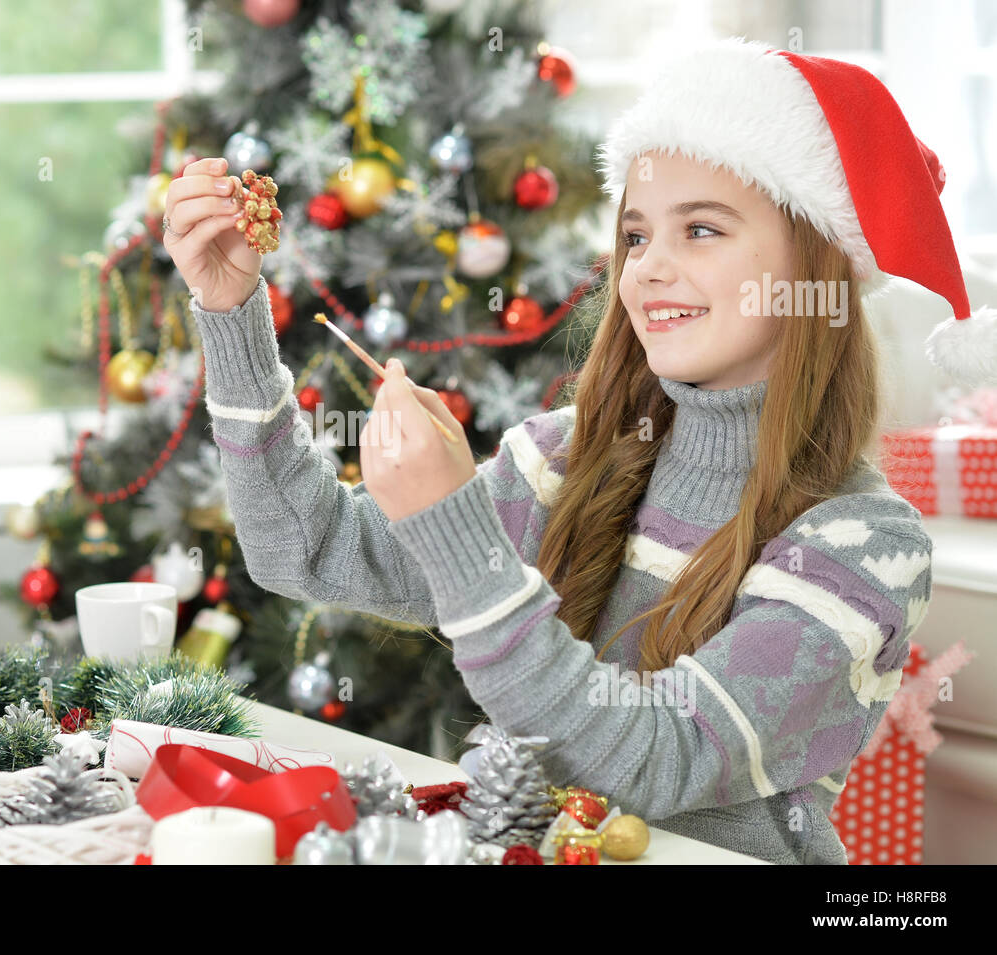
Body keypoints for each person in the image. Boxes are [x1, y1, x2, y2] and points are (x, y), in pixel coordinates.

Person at [161, 36, 992, 864]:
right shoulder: (560, 461)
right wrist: (232, 315)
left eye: (700, 230)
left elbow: (655, 758)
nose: (649, 269)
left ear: (814, 266)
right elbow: (301, 548)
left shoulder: (863, 544)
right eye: (636, 235)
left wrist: (460, 531)